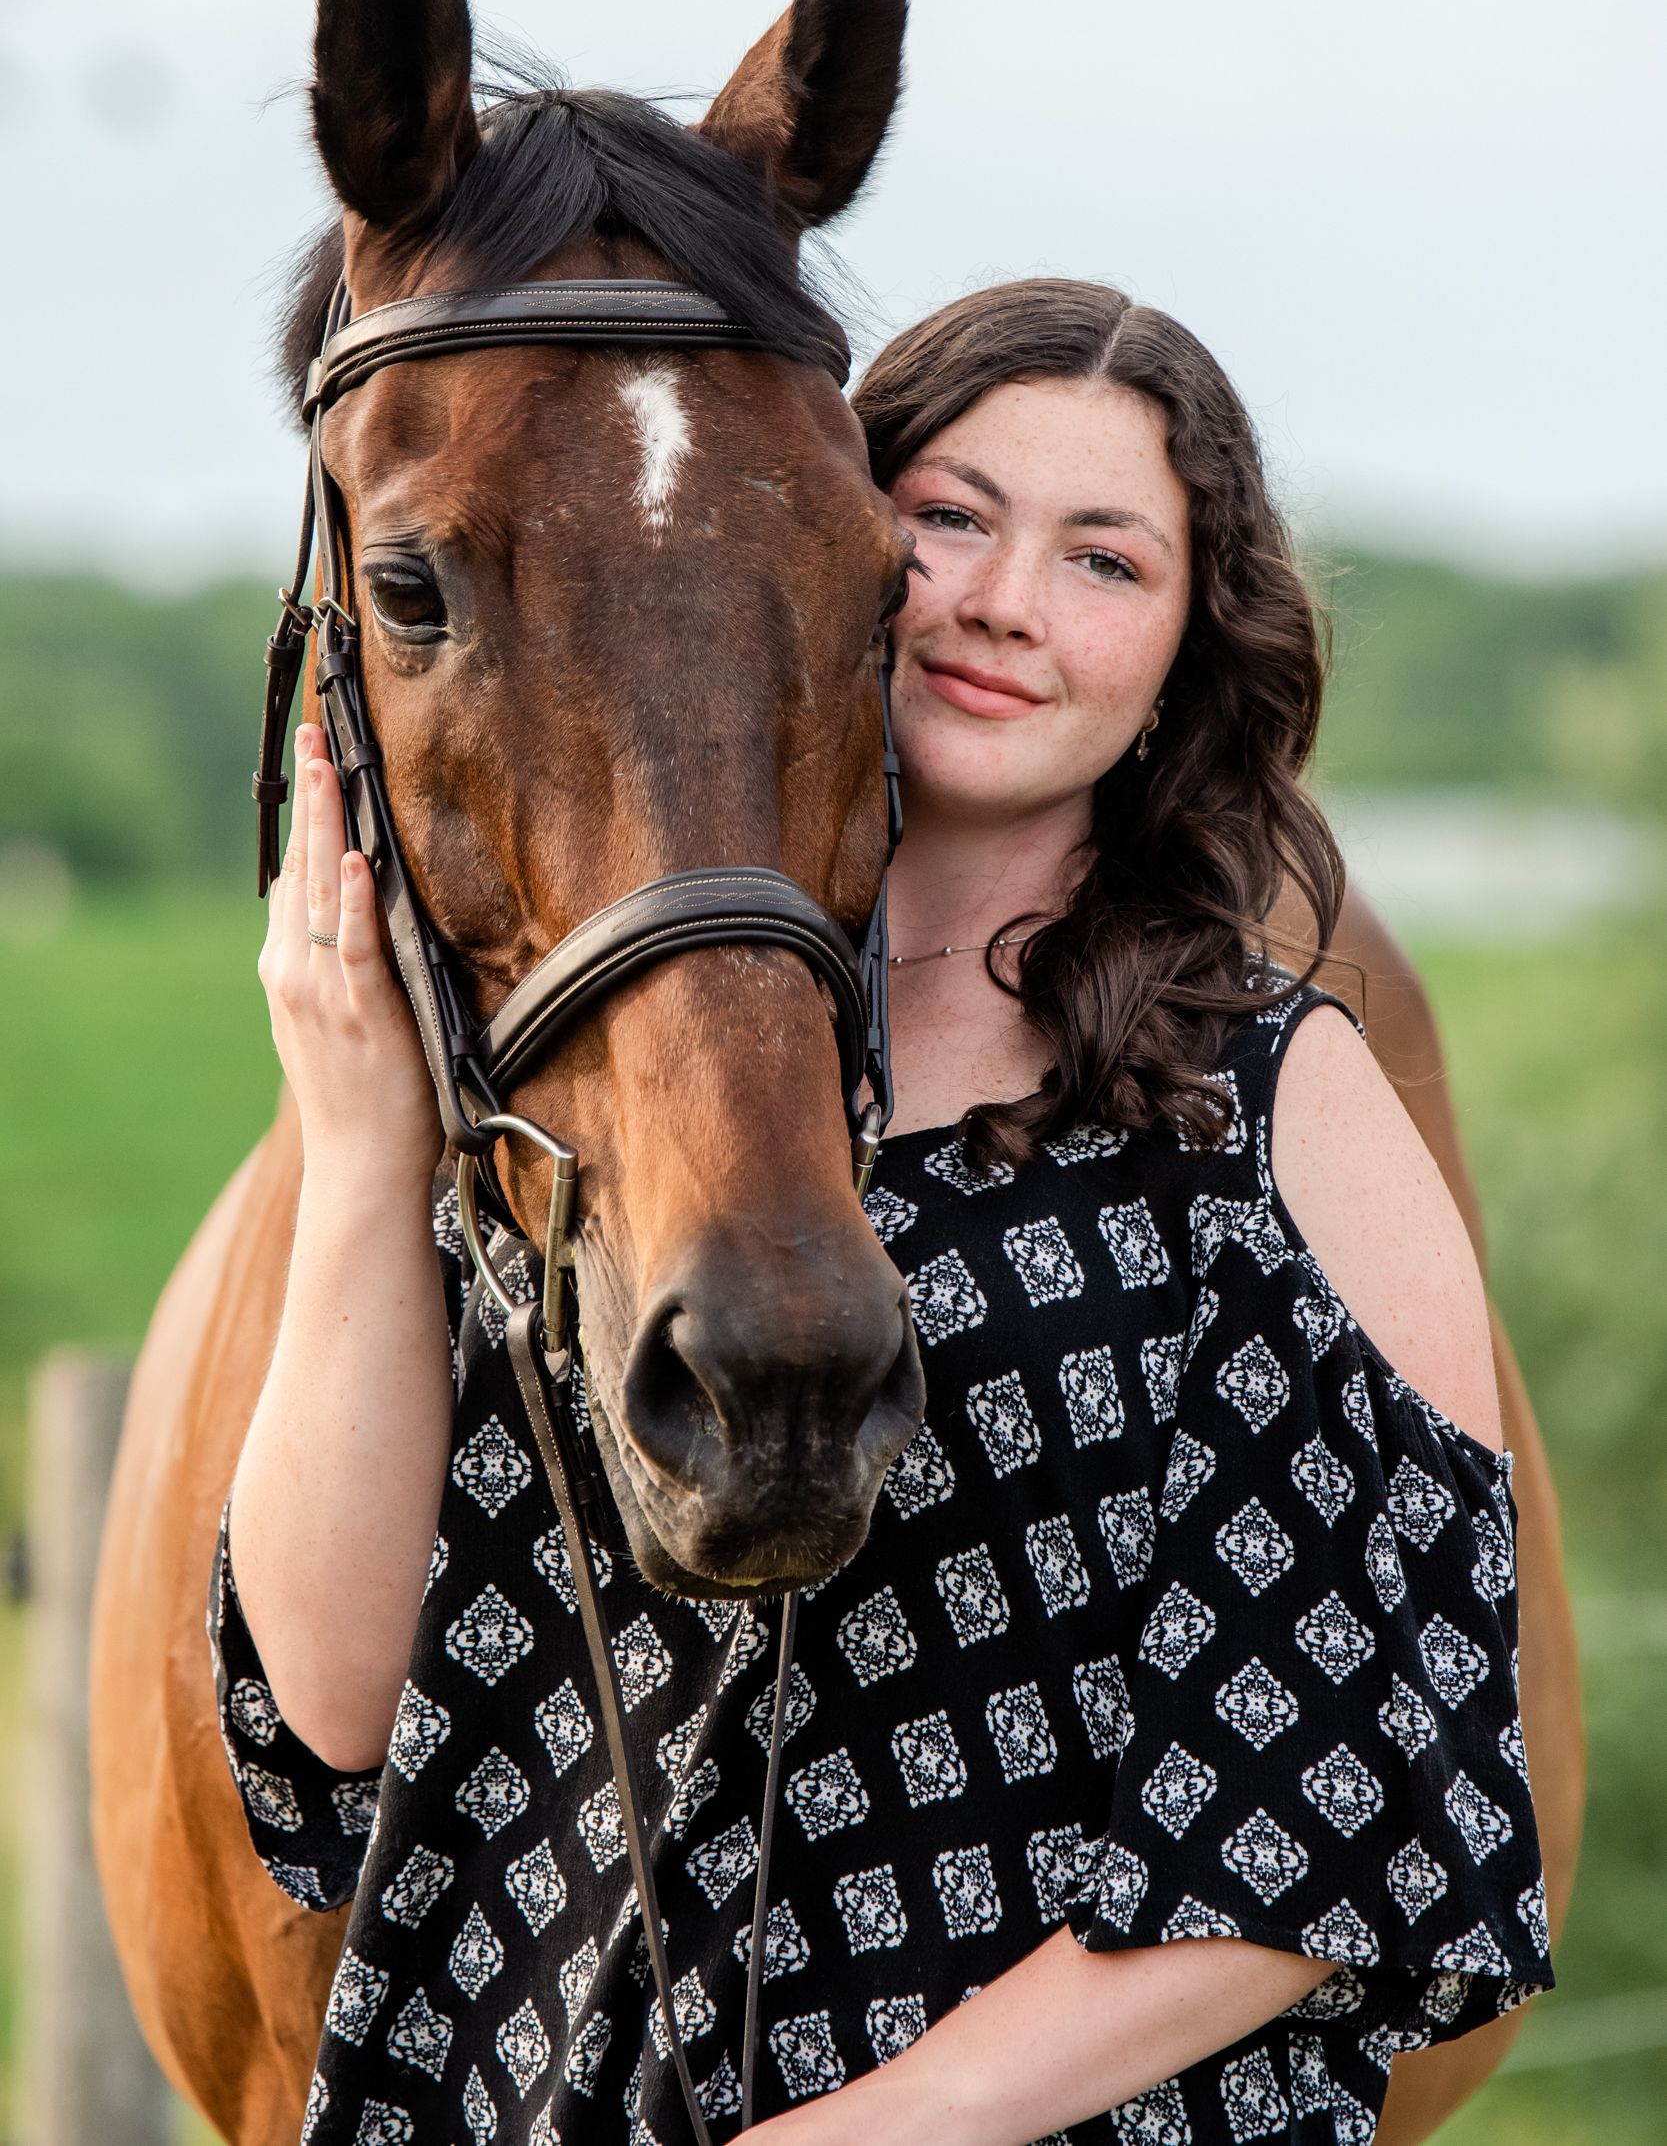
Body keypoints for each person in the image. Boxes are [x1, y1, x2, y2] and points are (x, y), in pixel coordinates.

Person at [216, 276, 1551, 2146]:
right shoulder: (603, 1079)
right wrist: (360, 1146)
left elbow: (1357, 1783)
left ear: (1183, 647)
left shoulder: (1278, 1100)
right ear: (829, 541)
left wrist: (880, 2134)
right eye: (952, 520)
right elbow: (329, 1712)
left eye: (1107, 560)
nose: (1008, 601)